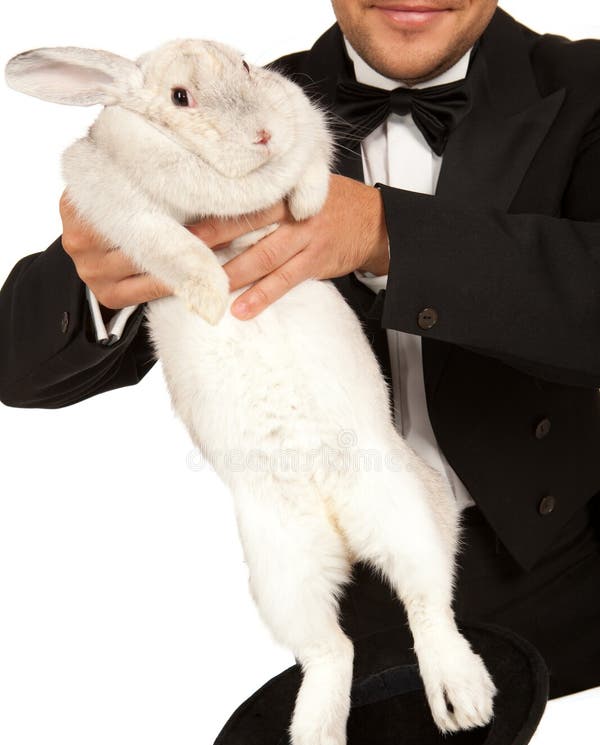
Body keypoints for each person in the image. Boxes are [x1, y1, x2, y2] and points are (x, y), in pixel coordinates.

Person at [1, 1, 599, 699]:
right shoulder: (247, 105)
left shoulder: (587, 84)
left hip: (570, 583)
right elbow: (18, 366)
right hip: (357, 606)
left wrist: (387, 234)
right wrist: (104, 267)